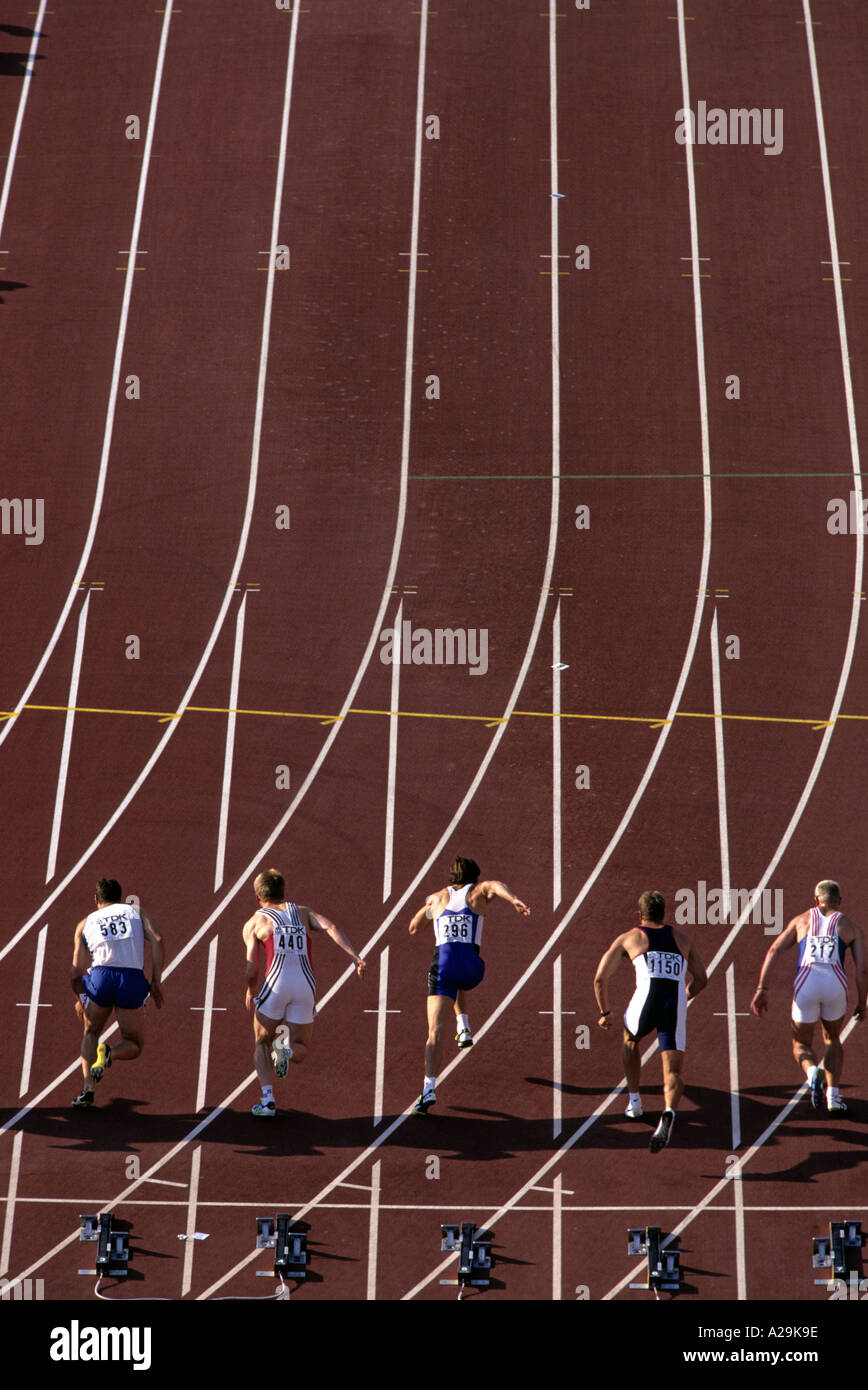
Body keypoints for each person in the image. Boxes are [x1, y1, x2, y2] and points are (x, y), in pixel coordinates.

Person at [407, 855, 531, 1115]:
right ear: (474, 877)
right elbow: (496, 885)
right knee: (462, 976)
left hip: (443, 969)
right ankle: (463, 1027)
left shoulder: (438, 897)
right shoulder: (478, 893)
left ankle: (429, 1087)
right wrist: (513, 899)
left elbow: (413, 928)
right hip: (473, 970)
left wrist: (430, 909)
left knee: (434, 1033)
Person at [243, 868, 366, 1117]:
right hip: (304, 986)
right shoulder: (302, 912)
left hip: (275, 986)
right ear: (283, 892)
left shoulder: (255, 922)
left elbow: (252, 967)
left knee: (261, 1043)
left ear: (257, 897)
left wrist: (250, 990)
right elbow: (331, 926)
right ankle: (286, 1052)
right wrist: (354, 956)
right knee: (301, 1047)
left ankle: (267, 1101)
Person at [594, 890, 707, 1153]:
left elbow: (600, 978)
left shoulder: (630, 938)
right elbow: (702, 979)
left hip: (646, 1003)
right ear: (663, 913)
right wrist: (684, 996)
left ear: (640, 915)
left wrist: (604, 1012)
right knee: (673, 1072)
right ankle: (668, 1111)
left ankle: (635, 1101)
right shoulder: (682, 938)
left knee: (630, 1039)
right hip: (673, 1006)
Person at [750, 880, 866, 1111]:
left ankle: (813, 1072)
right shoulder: (851, 927)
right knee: (832, 1038)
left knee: (801, 1043)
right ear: (839, 901)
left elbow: (773, 950)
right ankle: (833, 1097)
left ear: (815, 900)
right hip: (835, 985)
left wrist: (762, 988)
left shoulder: (801, 920)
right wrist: (862, 1003)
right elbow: (862, 969)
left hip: (806, 984)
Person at [70, 878, 164, 1107]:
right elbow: (158, 940)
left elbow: (75, 973)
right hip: (131, 980)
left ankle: (87, 1089)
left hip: (101, 978)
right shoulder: (136, 912)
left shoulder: (85, 923)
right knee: (133, 1042)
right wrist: (156, 981)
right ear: (120, 898)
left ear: (96, 900)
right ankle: (110, 1053)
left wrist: (81, 999)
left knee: (91, 1032)